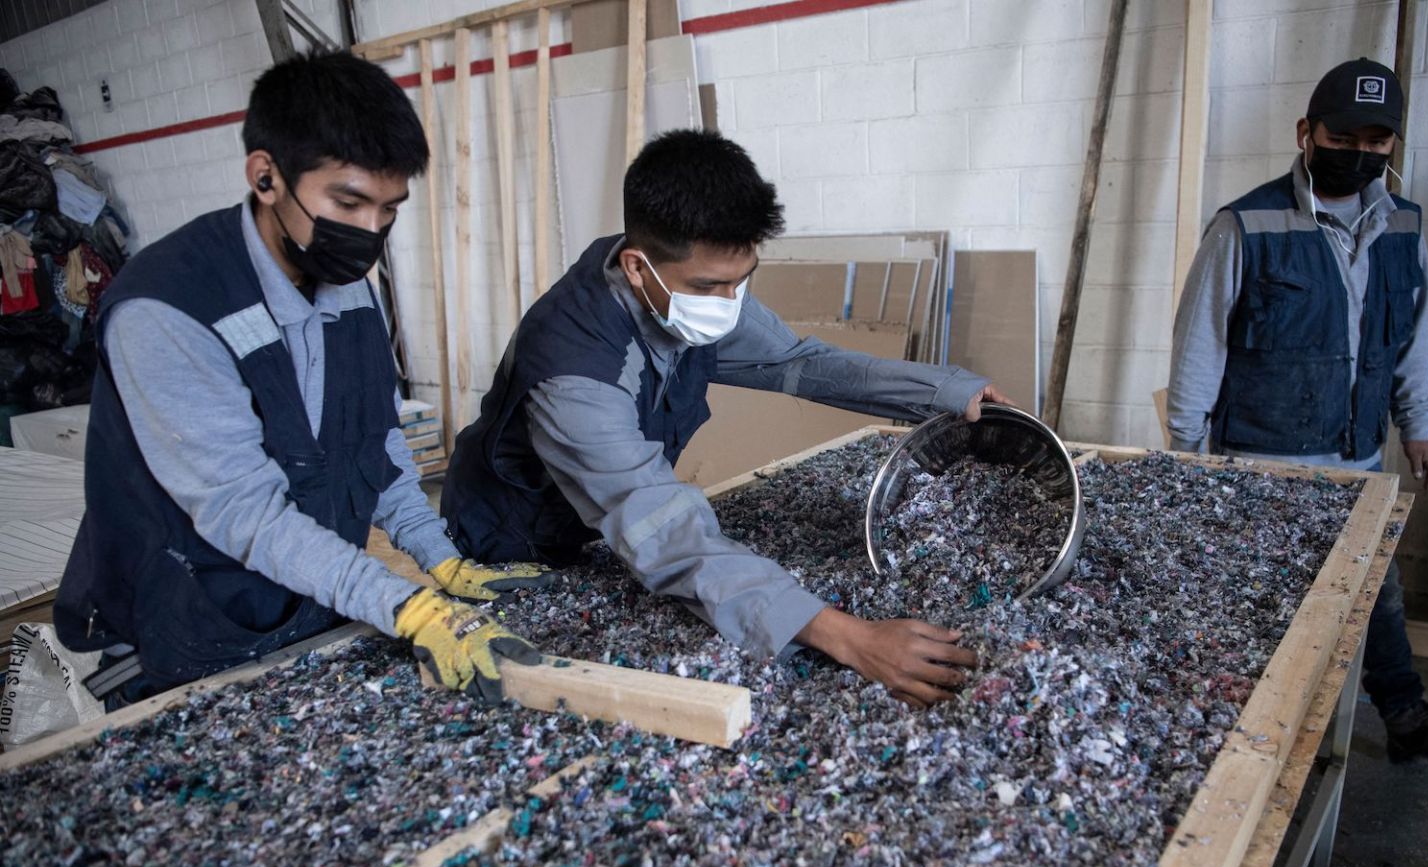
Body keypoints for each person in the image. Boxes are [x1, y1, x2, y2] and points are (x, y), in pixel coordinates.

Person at [442, 129, 1010, 707]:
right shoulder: (573, 371)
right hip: (513, 542)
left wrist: (947, 391)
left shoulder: (682, 285)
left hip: (604, 529)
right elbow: (655, 525)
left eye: (742, 280)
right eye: (710, 286)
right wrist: (848, 636)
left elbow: (800, 364)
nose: (728, 302)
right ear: (637, 268)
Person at [55, 51, 551, 708]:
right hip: (191, 626)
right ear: (266, 176)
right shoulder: (167, 308)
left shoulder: (349, 287)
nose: (370, 232)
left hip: (308, 599)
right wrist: (409, 609)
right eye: (349, 201)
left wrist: (440, 558)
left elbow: (377, 445)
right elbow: (243, 511)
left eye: (389, 209)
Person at [1167, 57, 1428, 763]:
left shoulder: (1405, 228)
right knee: (1259, 606)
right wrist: (1186, 459)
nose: (1359, 155)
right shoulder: (1246, 225)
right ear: (1307, 132)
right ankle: (1239, 734)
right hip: (1264, 462)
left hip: (1357, 453)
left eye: (1376, 143)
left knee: (1376, 590)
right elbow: (1199, 345)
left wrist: (1419, 428)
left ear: (1393, 146)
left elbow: (1412, 337)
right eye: (1344, 138)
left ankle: (1404, 718)